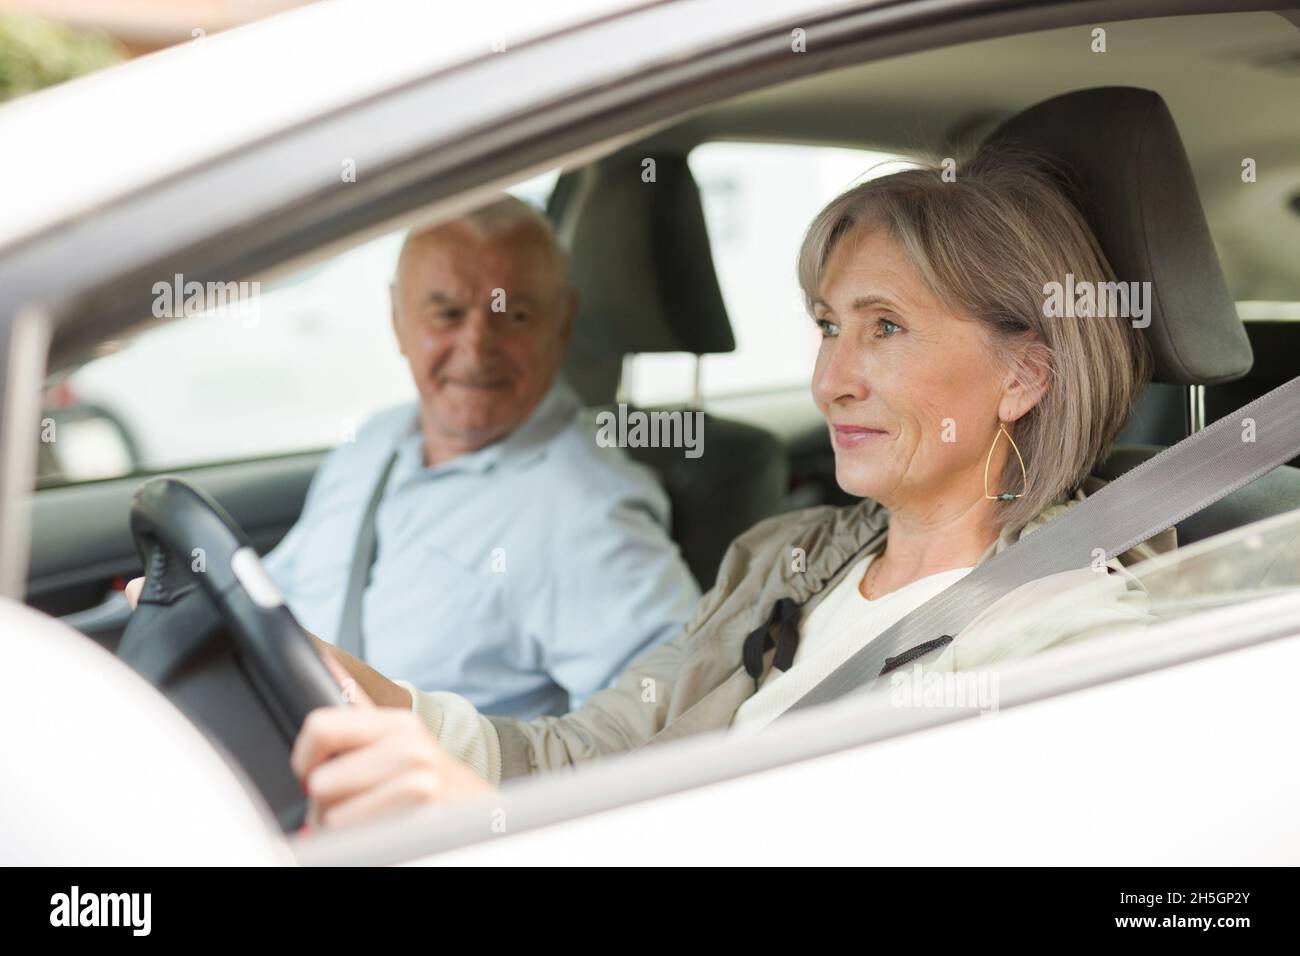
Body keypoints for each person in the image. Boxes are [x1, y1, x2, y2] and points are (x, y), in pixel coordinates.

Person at [262, 148, 1178, 826]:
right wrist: (339, 680)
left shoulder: (1067, 638)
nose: (832, 381)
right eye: (828, 326)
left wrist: (500, 833)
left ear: (1024, 375)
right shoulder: (782, 560)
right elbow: (591, 752)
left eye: (886, 328)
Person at [238, 196, 699, 718]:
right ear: (397, 318)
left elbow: (673, 711)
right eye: (448, 313)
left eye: (515, 314)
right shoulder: (376, 440)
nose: (477, 348)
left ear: (562, 323)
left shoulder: (587, 510)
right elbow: (289, 586)